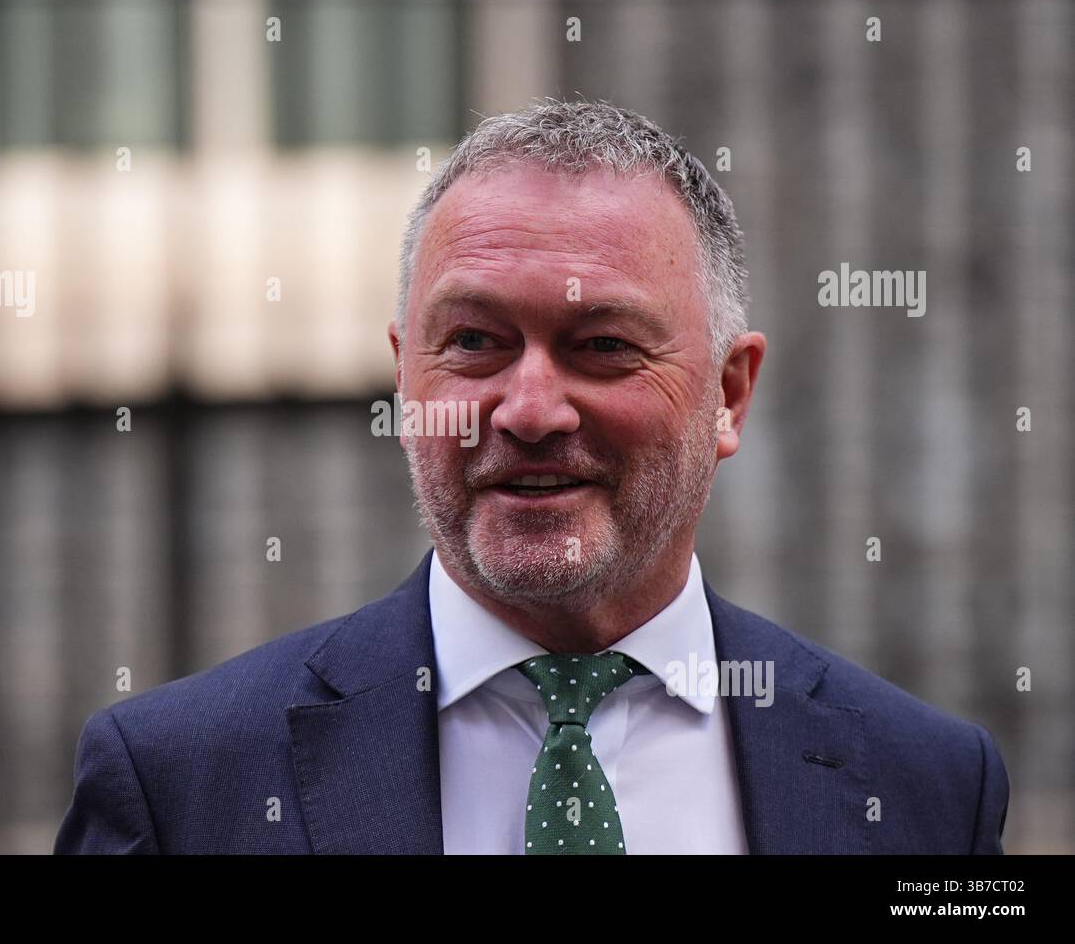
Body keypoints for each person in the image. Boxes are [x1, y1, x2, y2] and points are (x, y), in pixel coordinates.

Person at [55, 99, 1008, 854]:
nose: (530, 409)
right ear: (404, 377)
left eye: (600, 346)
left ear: (728, 392)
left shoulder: (924, 787)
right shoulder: (182, 787)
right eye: (473, 342)